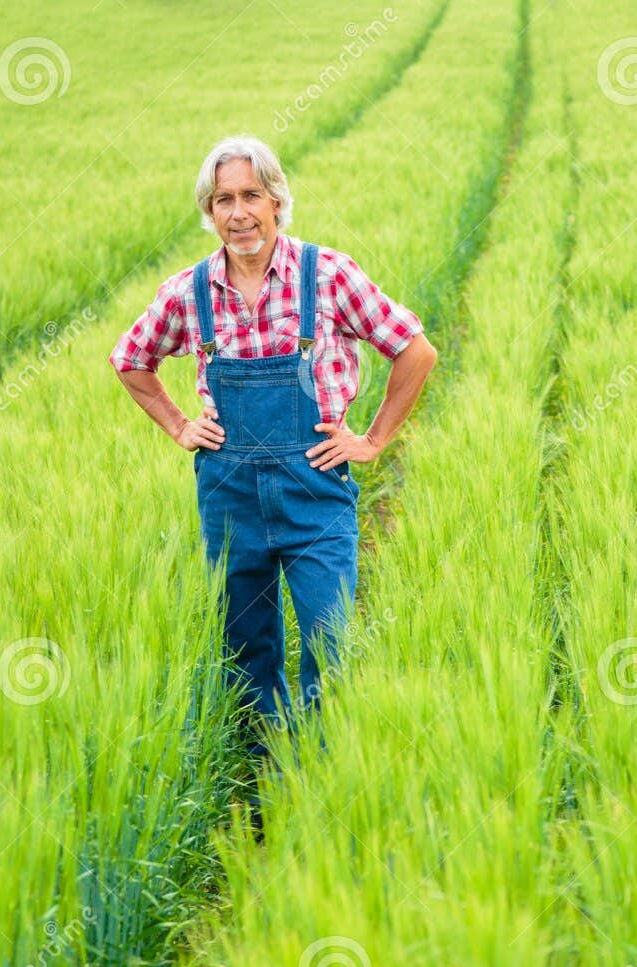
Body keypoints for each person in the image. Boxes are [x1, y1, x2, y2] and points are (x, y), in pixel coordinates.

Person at [109, 134, 437, 775]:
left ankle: (323, 769)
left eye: (251, 196)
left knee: (330, 637)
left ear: (277, 202)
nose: (238, 213)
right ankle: (269, 776)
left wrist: (371, 441)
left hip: (314, 486)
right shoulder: (188, 292)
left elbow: (415, 349)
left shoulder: (328, 274)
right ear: (210, 211)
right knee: (247, 647)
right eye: (223, 199)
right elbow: (130, 360)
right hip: (229, 493)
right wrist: (179, 425)